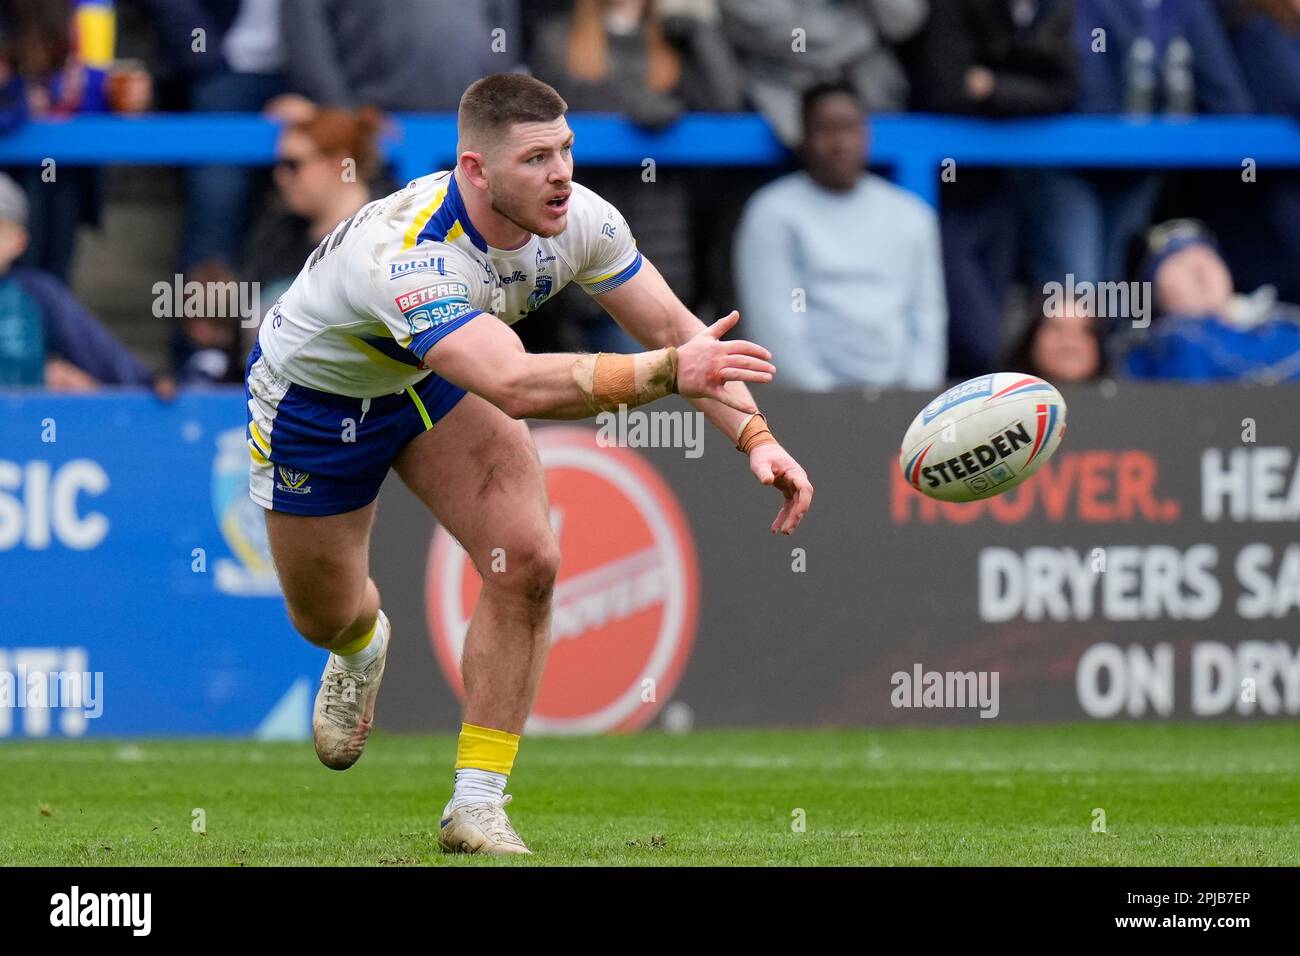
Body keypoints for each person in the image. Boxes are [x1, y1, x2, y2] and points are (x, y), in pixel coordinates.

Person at [245, 73, 813, 855]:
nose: (562, 174)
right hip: (318, 401)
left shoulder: (581, 219)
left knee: (531, 559)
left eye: (567, 149)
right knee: (325, 615)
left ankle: (476, 804)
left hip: (439, 378)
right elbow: (515, 384)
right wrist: (664, 372)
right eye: (537, 158)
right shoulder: (407, 253)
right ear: (476, 171)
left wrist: (759, 440)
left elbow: (683, 335)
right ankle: (361, 643)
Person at [733, 82, 946, 390]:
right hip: (807, 405)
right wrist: (831, 407)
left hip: (902, 403)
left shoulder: (912, 214)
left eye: (850, 128)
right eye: (825, 130)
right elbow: (776, 328)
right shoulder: (772, 212)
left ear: (867, 133)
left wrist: (915, 399)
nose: (840, 143)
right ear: (802, 138)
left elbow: (928, 320)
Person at [0, 171, 167, 391]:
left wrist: (148, 382)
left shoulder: (36, 291)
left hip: (23, 421)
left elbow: (94, 348)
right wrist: (41, 375)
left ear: (19, 240)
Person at [1121, 218, 1300, 382]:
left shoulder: (1282, 328)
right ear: (1154, 293)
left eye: (1208, 258)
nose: (1199, 270)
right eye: (1180, 264)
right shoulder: (1157, 349)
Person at [1005, 293, 1108, 383]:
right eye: (1057, 329)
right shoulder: (999, 401)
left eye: (1084, 330)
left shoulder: (1122, 401)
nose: (1069, 343)